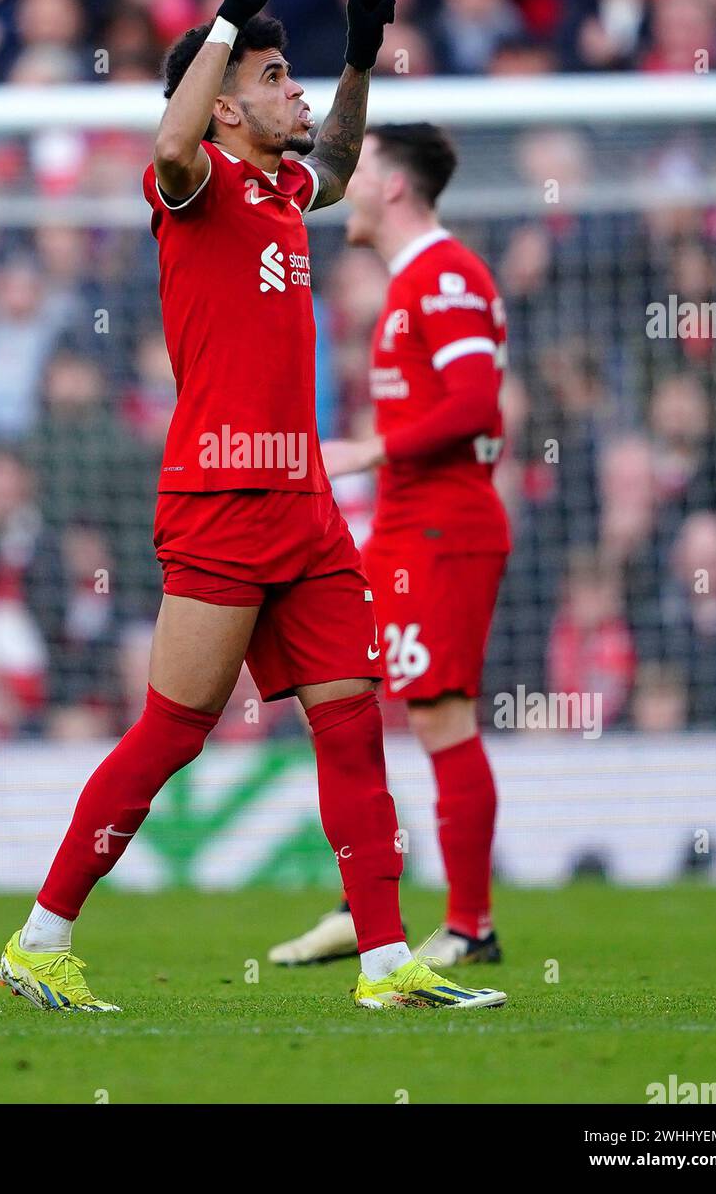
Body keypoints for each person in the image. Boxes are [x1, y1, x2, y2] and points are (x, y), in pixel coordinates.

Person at [0, 0, 507, 1013]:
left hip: (304, 502)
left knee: (350, 718)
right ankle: (41, 937)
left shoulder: (280, 186)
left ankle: (384, 966)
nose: (296, 90)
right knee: (174, 729)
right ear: (227, 105)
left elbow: (334, 155)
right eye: (275, 79)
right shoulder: (189, 181)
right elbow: (172, 137)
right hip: (221, 495)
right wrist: (228, 16)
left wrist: (361, 61)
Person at [270, 124, 510, 968]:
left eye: (359, 164)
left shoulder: (443, 274)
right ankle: (361, 902)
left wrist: (370, 450)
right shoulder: (413, 280)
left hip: (443, 527)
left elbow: (476, 401)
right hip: (412, 526)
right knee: (343, 695)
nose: (341, 177)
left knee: (440, 715)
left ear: (396, 187)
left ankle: (470, 926)